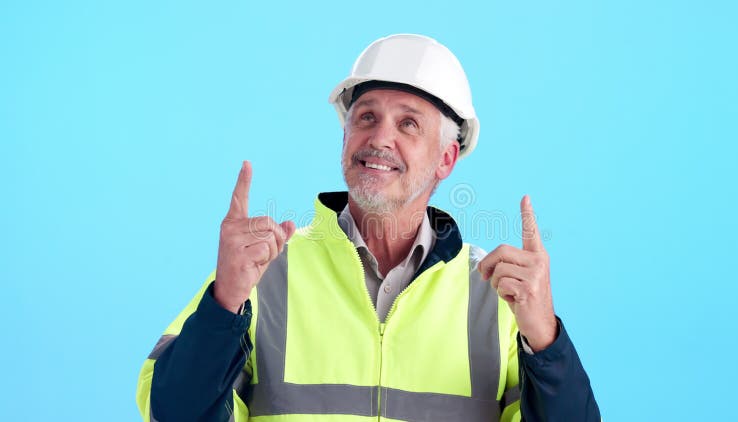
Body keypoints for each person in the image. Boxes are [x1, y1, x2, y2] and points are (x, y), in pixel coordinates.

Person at [136, 34, 600, 422]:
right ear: (345, 137)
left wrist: (545, 343)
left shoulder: (497, 298)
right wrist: (222, 307)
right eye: (367, 117)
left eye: (409, 124)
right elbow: (172, 414)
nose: (380, 138)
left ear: (446, 158)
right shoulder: (262, 275)